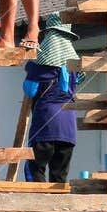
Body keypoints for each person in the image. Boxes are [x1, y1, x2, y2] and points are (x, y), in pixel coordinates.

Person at [22, 14, 79, 183]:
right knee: (59, 176)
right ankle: (57, 207)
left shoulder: (39, 66)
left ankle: (37, 208)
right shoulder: (74, 67)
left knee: (34, 169)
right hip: (68, 129)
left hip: (45, 126)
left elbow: (30, 90)